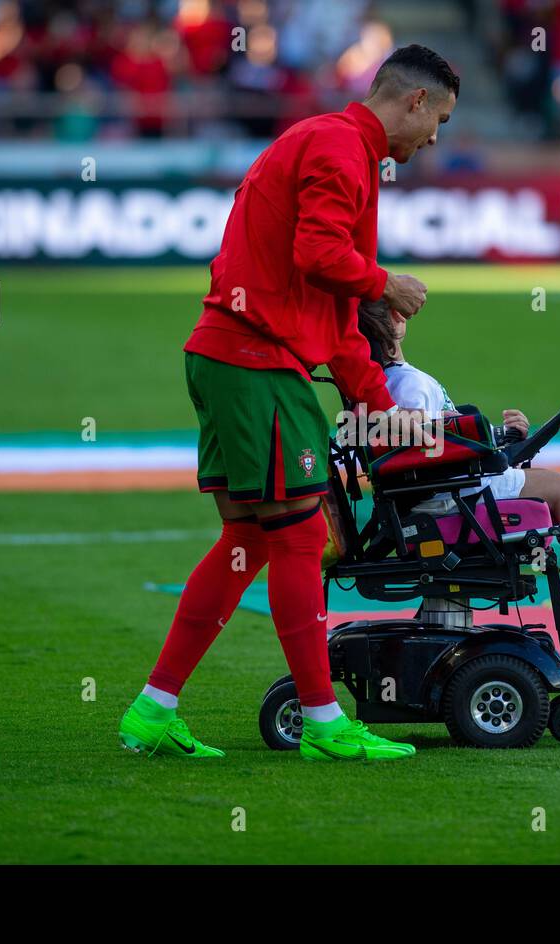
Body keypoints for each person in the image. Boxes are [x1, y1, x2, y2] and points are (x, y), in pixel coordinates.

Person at [118, 45, 460, 762]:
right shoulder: (341, 149)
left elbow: (332, 319)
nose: (435, 140)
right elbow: (318, 256)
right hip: (255, 363)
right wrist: (384, 282)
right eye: (439, 121)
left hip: (228, 355)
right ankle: (324, 722)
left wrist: (375, 399)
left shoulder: (333, 146)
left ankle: (154, 709)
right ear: (416, 102)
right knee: (301, 538)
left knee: (247, 543)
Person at [357, 299, 560, 610]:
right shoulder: (409, 383)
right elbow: (423, 446)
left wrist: (501, 443)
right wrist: (493, 441)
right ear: (396, 321)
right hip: (449, 498)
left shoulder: (386, 383)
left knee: (544, 481)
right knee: (559, 487)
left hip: (439, 492)